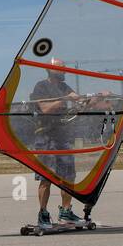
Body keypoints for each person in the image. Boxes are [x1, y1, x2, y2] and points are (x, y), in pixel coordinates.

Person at [29, 59, 80, 227]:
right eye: (61, 68)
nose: (64, 71)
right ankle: (43, 213)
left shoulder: (64, 87)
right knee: (46, 177)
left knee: (69, 175)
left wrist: (97, 97)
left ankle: (66, 211)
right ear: (51, 70)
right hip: (45, 137)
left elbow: (79, 102)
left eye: (65, 68)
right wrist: (65, 99)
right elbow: (45, 109)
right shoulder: (41, 86)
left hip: (63, 137)